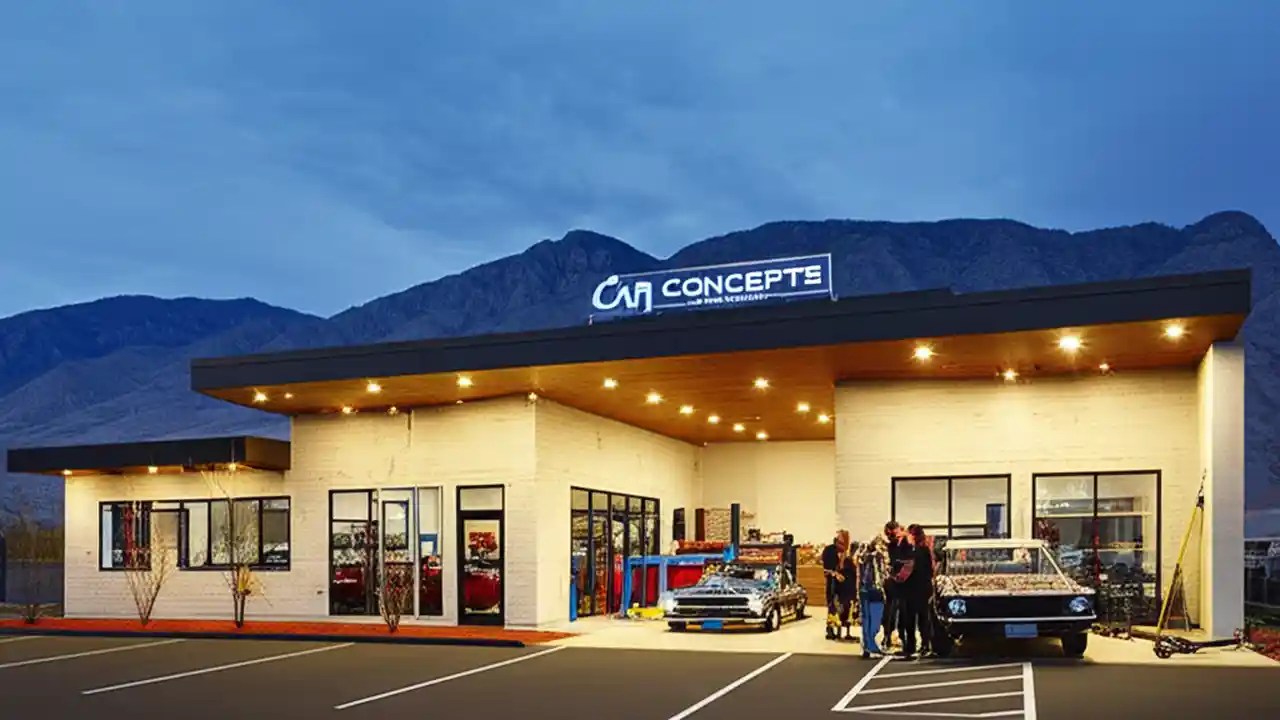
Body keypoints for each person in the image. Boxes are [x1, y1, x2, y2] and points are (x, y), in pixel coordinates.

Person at [903, 524, 935, 657]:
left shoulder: (917, 551)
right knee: (918, 618)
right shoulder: (923, 550)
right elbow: (930, 570)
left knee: (917, 618)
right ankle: (921, 645)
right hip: (920, 588)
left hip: (916, 588)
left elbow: (913, 570)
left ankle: (917, 645)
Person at [856, 531, 890, 658]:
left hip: (874, 590)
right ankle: (868, 646)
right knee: (868, 619)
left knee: (873, 619)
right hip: (868, 589)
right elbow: (860, 571)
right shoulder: (866, 557)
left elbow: (884, 572)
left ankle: (869, 645)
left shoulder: (879, 556)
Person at [881, 521, 911, 651]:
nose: (890, 537)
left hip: (905, 582)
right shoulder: (891, 546)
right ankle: (887, 635)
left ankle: (904, 638)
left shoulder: (907, 544)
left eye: (892, 534)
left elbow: (909, 561)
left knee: (904, 611)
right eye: (888, 535)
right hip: (893, 581)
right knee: (890, 610)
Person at [821, 530, 853, 640]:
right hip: (833, 585)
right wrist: (835, 574)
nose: (841, 546)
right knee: (832, 607)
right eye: (839, 542)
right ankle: (830, 629)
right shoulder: (829, 551)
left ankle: (844, 630)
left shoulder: (848, 553)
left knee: (845, 608)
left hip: (846, 586)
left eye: (843, 544)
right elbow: (825, 570)